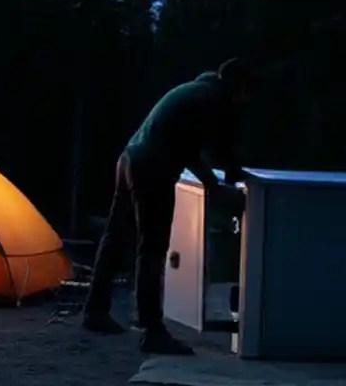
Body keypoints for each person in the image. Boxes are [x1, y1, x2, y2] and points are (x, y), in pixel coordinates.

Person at [81, 57, 252, 355]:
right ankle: (152, 331)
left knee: (115, 237)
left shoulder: (194, 89)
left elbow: (191, 144)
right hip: (153, 167)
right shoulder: (214, 99)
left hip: (129, 158)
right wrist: (220, 184)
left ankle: (94, 311)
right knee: (151, 248)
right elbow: (201, 150)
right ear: (239, 87)